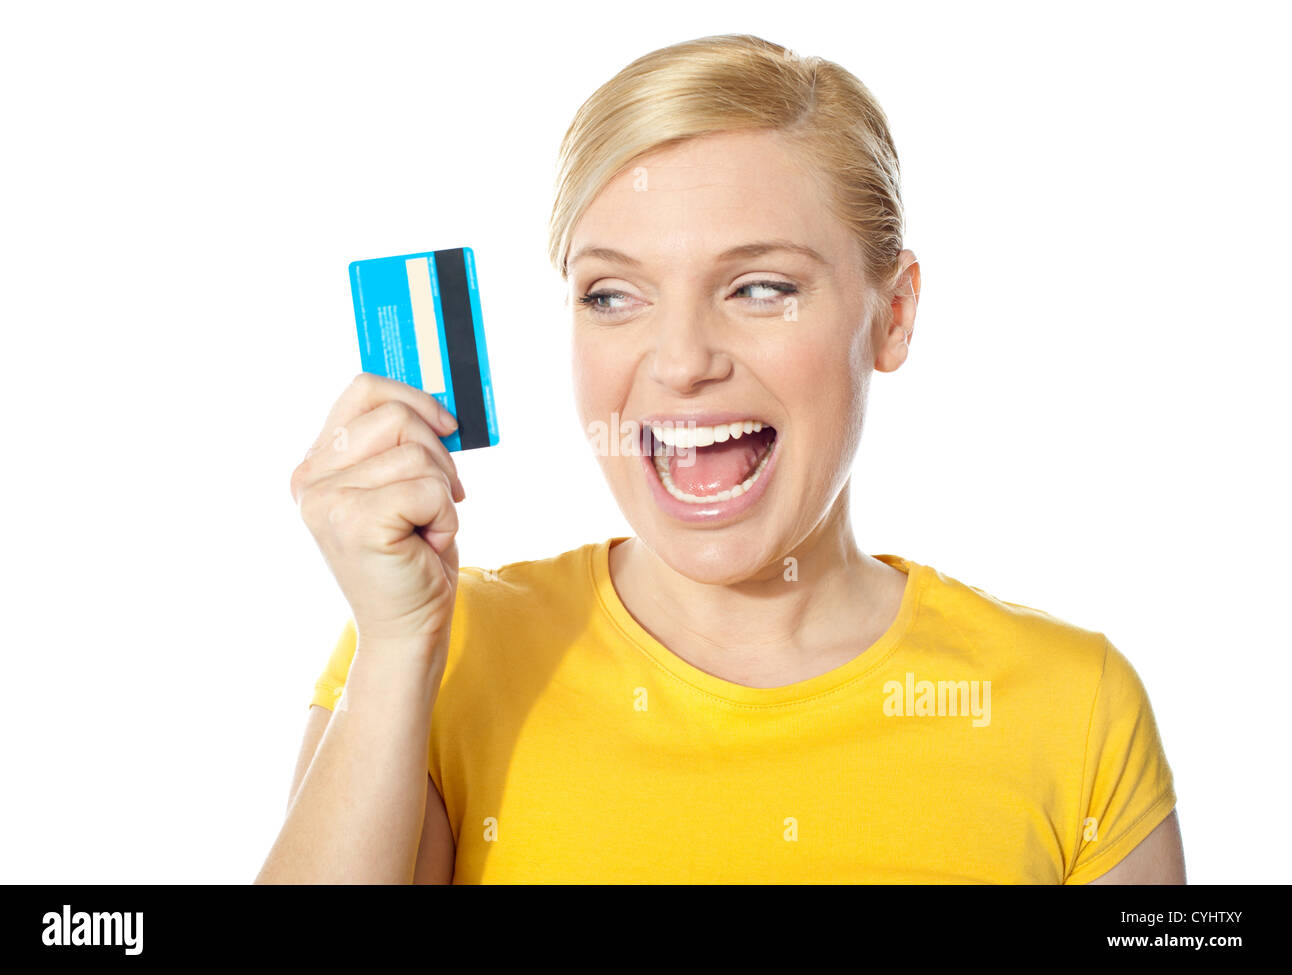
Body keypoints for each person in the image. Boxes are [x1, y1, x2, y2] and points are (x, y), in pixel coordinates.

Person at [256, 33, 1184, 884]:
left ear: (893, 314)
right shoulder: (436, 655)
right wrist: (396, 649)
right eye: (613, 295)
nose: (681, 360)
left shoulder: (1075, 709)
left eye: (760, 286)